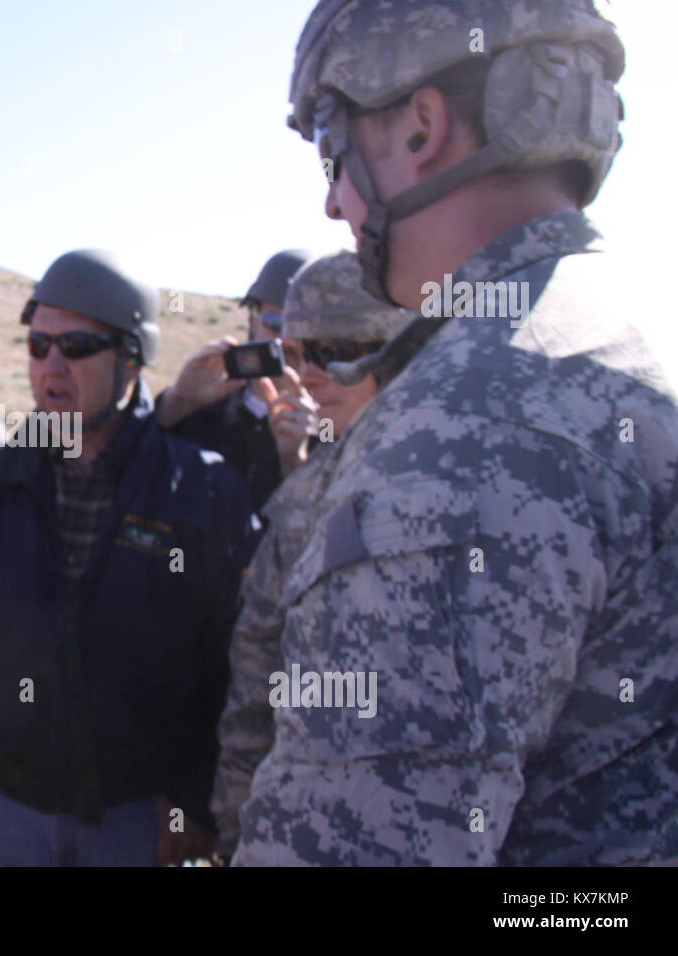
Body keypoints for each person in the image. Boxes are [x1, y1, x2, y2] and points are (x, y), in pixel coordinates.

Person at [231, 0, 678, 865]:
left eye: (333, 151)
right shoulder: (637, 335)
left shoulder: (457, 427)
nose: (332, 204)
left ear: (422, 126)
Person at [0, 249, 259, 866]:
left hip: (135, 824)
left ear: (131, 357)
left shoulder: (201, 492)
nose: (52, 367)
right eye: (38, 347)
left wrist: (196, 801)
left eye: (77, 346)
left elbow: (236, 658)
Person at [208, 251, 415, 852]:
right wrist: (233, 835)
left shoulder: (461, 488)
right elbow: (254, 690)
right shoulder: (300, 502)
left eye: (335, 352)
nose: (309, 377)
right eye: (295, 356)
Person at [155, 249, 312, 509]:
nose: (285, 340)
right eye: (275, 323)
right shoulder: (200, 411)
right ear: (253, 322)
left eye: (300, 327)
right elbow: (130, 473)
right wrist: (177, 403)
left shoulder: (328, 423)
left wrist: (295, 461)